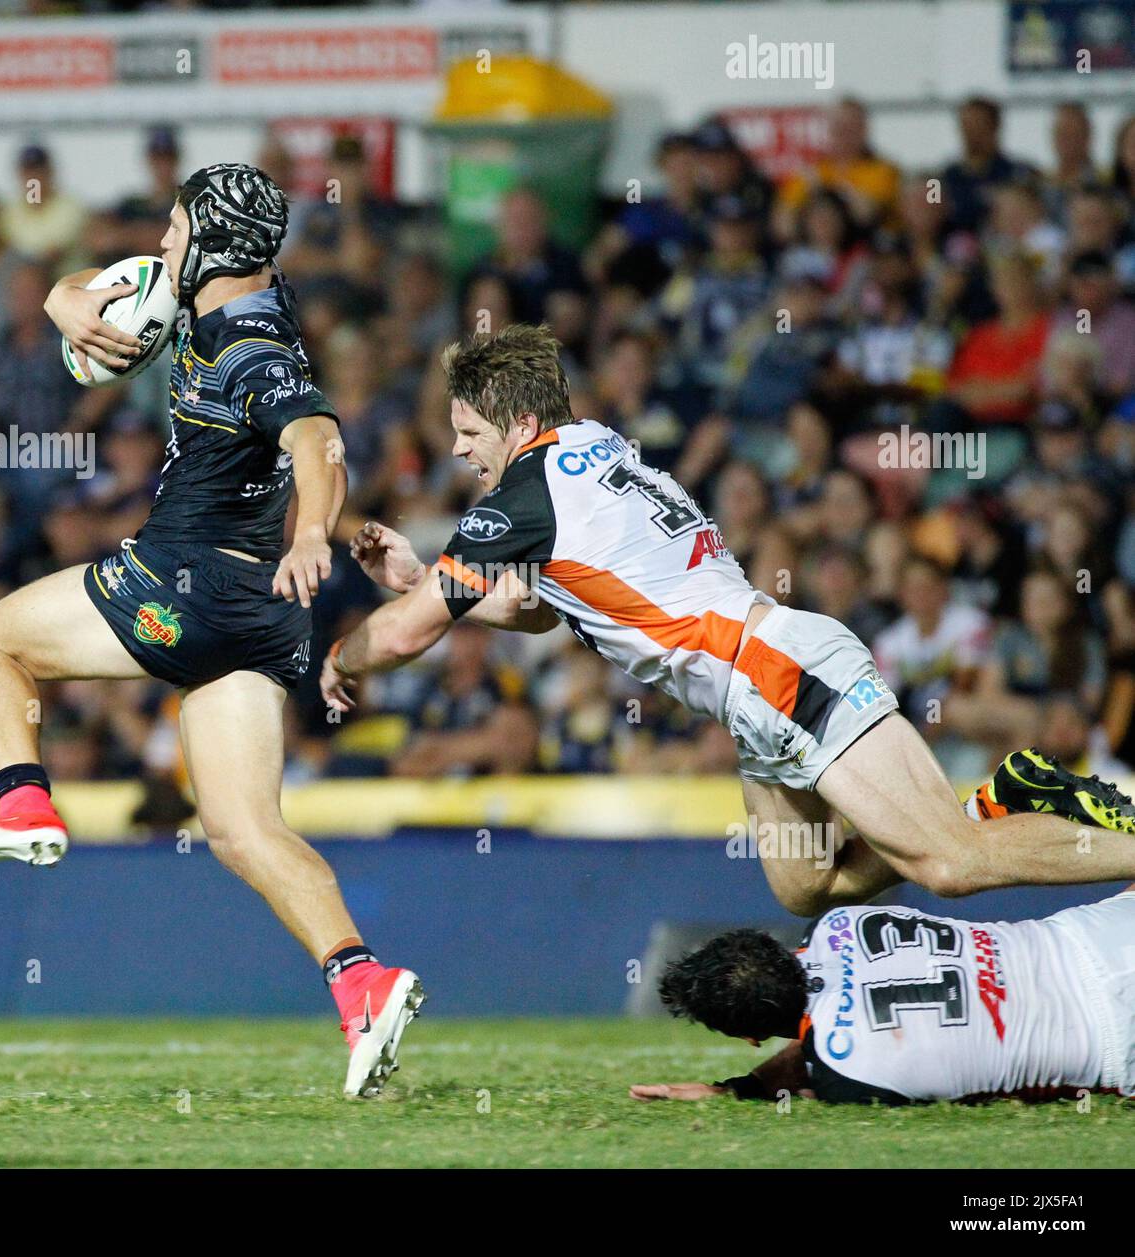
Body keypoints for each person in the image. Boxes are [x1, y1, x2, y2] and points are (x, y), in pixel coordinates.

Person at [320, 324, 1135, 922]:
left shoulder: (527, 495)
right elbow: (540, 609)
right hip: (756, 688)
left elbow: (401, 637)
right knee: (805, 884)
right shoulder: (596, 448)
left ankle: (1038, 830)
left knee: (952, 867)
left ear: (518, 424)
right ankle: (1002, 802)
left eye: (468, 431)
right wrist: (427, 579)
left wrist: (340, 656)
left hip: (775, 671)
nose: (460, 450)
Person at [0, 164, 422, 1099]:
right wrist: (67, 306)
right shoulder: (244, 289)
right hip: (263, 613)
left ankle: (22, 800)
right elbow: (85, 285)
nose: (165, 241)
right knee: (241, 827)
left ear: (214, 245)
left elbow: (317, 439)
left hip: (178, 584)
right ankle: (362, 980)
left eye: (179, 228)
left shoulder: (243, 344)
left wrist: (317, 528)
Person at [630, 889, 1135, 1104]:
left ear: (750, 1035)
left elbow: (831, 1042)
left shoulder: (848, 1076)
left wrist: (741, 1091)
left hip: (1114, 1041)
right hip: (1090, 932)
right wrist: (747, 1087)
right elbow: (836, 1010)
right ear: (773, 943)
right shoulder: (841, 921)